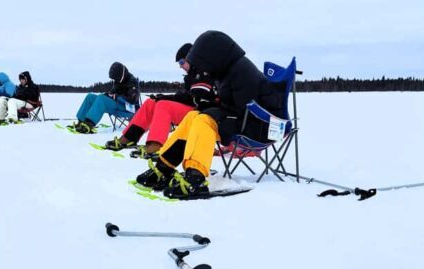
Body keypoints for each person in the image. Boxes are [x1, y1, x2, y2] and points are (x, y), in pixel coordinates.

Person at [135, 30, 283, 199]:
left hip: (259, 127)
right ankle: (164, 167)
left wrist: (213, 111)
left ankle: (195, 177)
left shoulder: (242, 71)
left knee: (204, 121)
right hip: (245, 120)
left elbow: (244, 109)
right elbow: (230, 105)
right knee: (193, 117)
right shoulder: (227, 72)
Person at [105, 43, 197, 154]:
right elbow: (187, 96)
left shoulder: (203, 73)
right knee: (150, 102)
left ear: (192, 58)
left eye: (182, 62)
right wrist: (162, 97)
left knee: (163, 105)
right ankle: (128, 138)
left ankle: (156, 145)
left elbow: (193, 98)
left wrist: (166, 98)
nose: (180, 66)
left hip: (198, 113)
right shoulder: (191, 76)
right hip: (189, 109)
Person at [73, 62, 140, 134]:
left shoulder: (132, 81)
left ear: (120, 74)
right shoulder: (119, 80)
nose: (114, 80)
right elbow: (113, 92)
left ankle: (89, 124)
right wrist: (109, 95)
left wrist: (116, 97)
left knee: (102, 99)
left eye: (115, 78)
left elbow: (132, 100)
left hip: (128, 109)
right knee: (90, 97)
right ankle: (81, 121)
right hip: (117, 104)